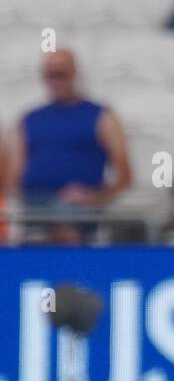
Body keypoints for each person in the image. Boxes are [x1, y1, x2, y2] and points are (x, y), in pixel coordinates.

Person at [4, 50, 131, 245]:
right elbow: (14, 177)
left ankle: (65, 270)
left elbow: (124, 176)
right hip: (34, 202)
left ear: (74, 74)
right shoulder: (29, 119)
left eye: (61, 74)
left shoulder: (101, 117)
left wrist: (95, 197)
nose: (56, 81)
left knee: (64, 214)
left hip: (80, 206)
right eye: (50, 75)